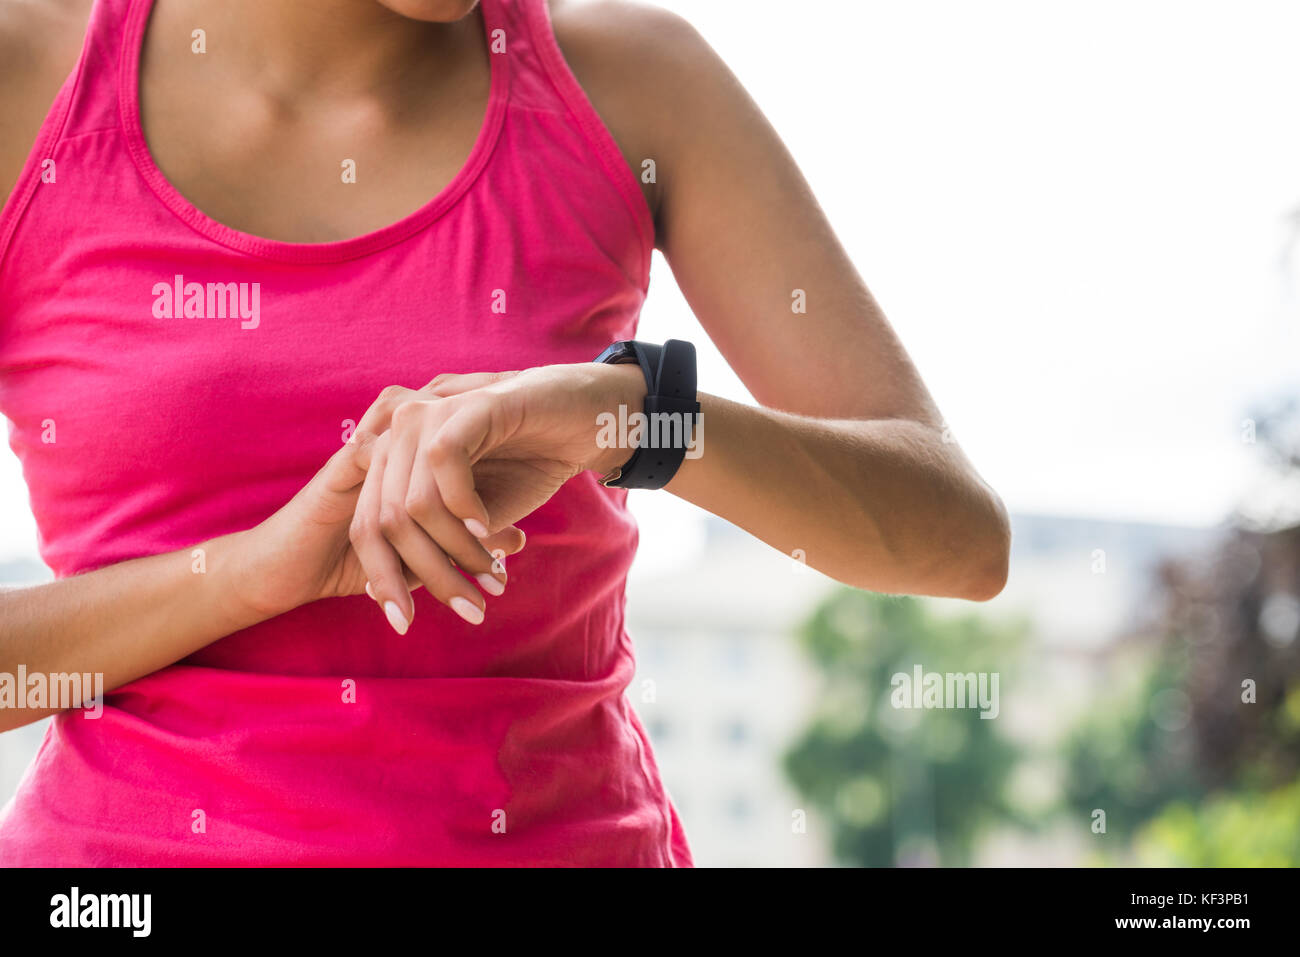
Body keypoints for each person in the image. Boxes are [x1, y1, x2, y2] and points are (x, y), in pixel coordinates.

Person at [0, 0, 1010, 866]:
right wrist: (251, 574)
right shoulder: (28, 82)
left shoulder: (630, 80)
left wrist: (624, 411)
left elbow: (956, 540)